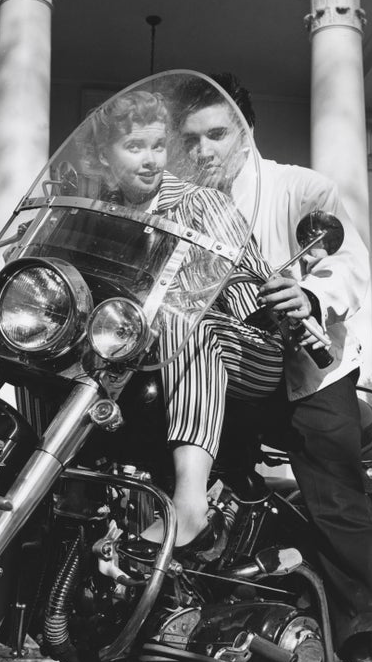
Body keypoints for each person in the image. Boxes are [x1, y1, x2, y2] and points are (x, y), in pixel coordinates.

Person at [172, 73, 372, 662]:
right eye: (192, 140)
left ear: (245, 135)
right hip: (225, 364)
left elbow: (350, 263)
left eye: (217, 134)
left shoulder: (300, 191)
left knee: (333, 491)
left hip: (307, 366)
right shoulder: (187, 206)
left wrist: (311, 296)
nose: (205, 149)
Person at [80, 88, 284, 553]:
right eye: (134, 147)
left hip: (244, 346)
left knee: (181, 317)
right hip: (144, 356)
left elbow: (254, 295)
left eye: (157, 146)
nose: (151, 160)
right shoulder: (100, 214)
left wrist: (185, 296)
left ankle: (189, 504)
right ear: (104, 155)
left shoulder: (201, 203)